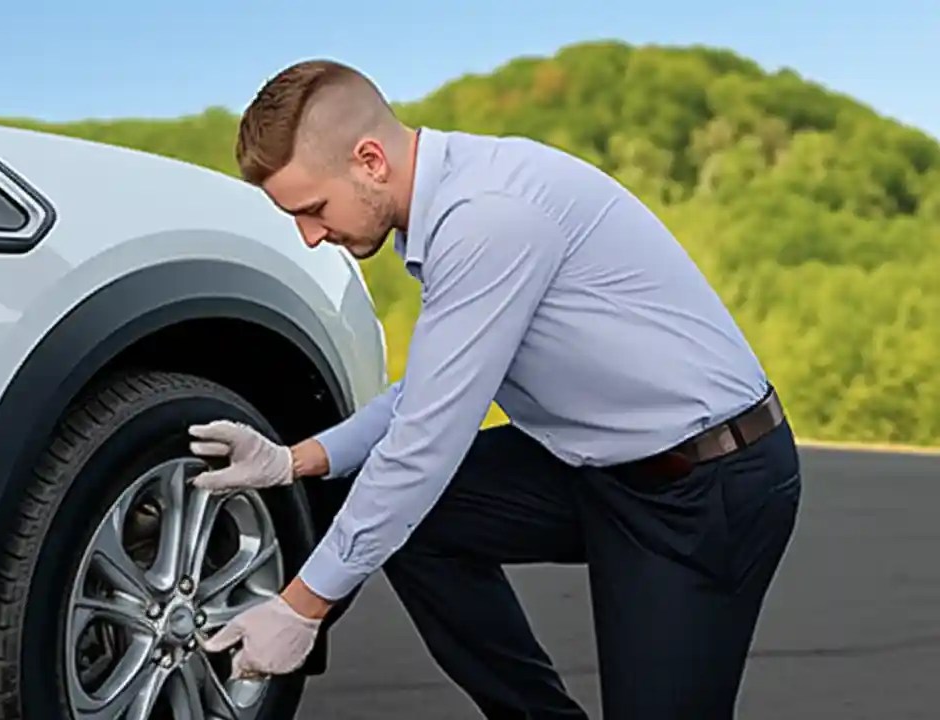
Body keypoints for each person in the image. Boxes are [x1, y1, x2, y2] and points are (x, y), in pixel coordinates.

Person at [186, 58, 802, 719]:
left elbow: (425, 442)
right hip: (596, 468)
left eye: (313, 209)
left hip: (705, 486)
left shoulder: (488, 220)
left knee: (405, 491)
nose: (311, 236)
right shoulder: (451, 204)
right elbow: (428, 389)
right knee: (408, 521)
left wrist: (302, 608)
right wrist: (294, 459)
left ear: (370, 160)